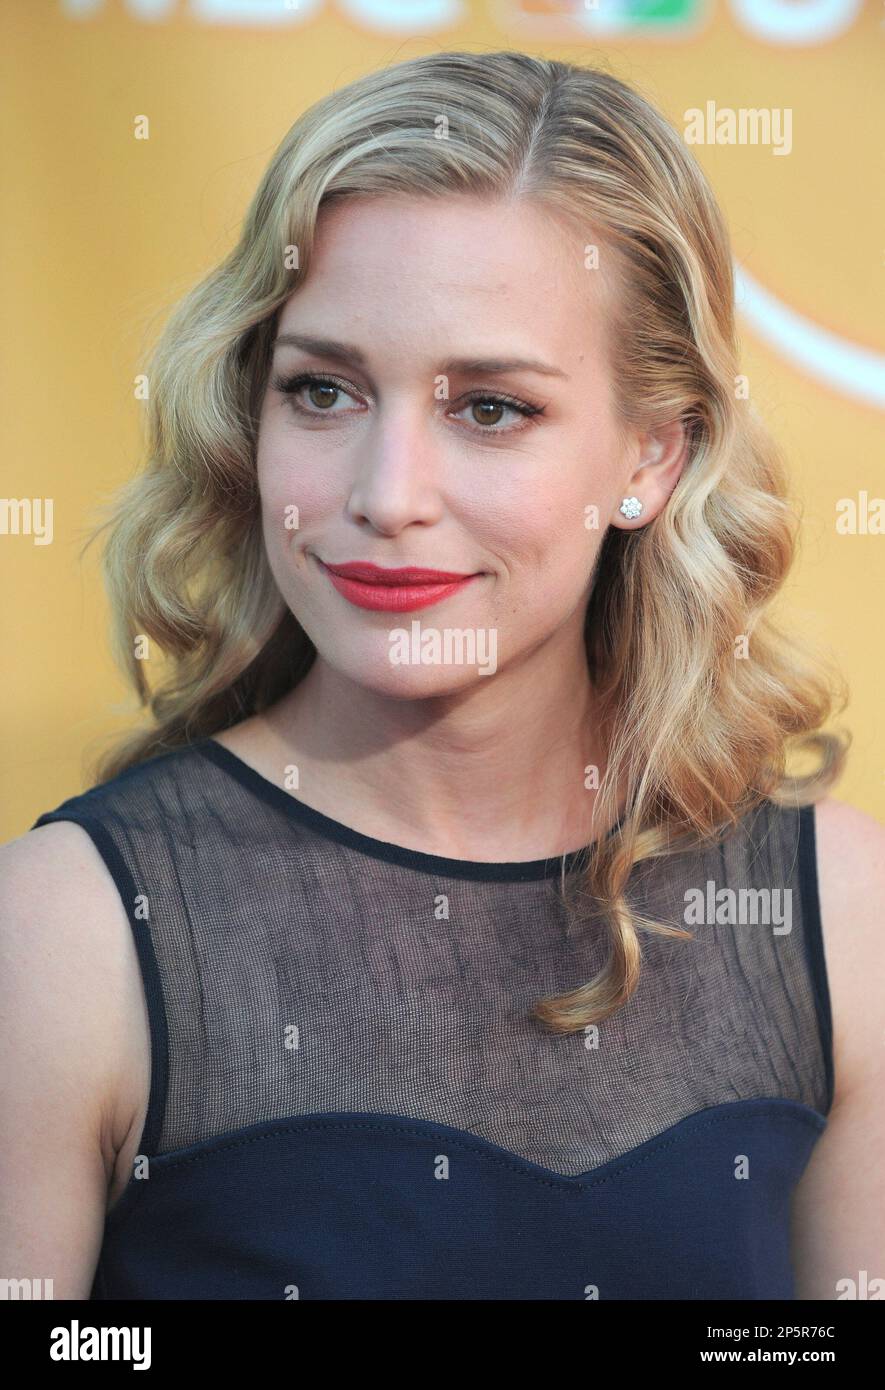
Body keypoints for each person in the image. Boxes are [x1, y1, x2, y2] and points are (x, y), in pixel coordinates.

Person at [2, 50, 883, 1302]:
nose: (385, 494)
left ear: (651, 455)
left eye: (490, 409)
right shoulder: (65, 933)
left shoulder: (838, 915)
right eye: (324, 391)